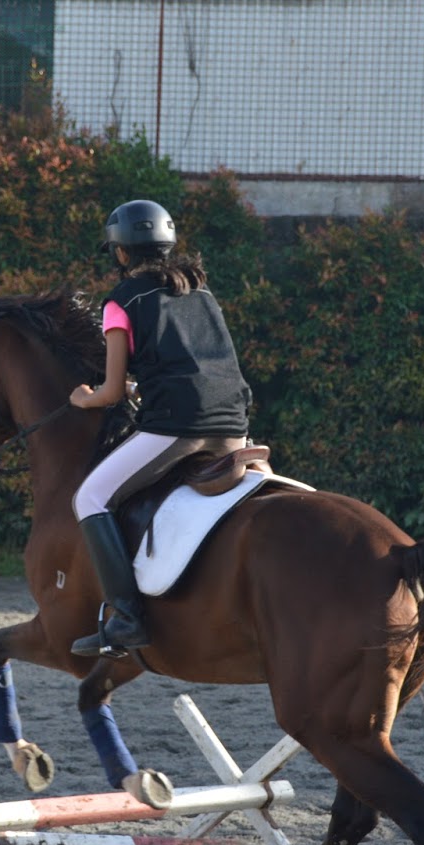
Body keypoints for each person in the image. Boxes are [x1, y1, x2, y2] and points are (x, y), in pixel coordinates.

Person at [68, 199, 253, 658]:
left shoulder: (120, 301)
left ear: (121, 253)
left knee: (88, 498)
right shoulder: (202, 294)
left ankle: (127, 617)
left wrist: (84, 398)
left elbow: (110, 393)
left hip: (177, 429)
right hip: (235, 428)